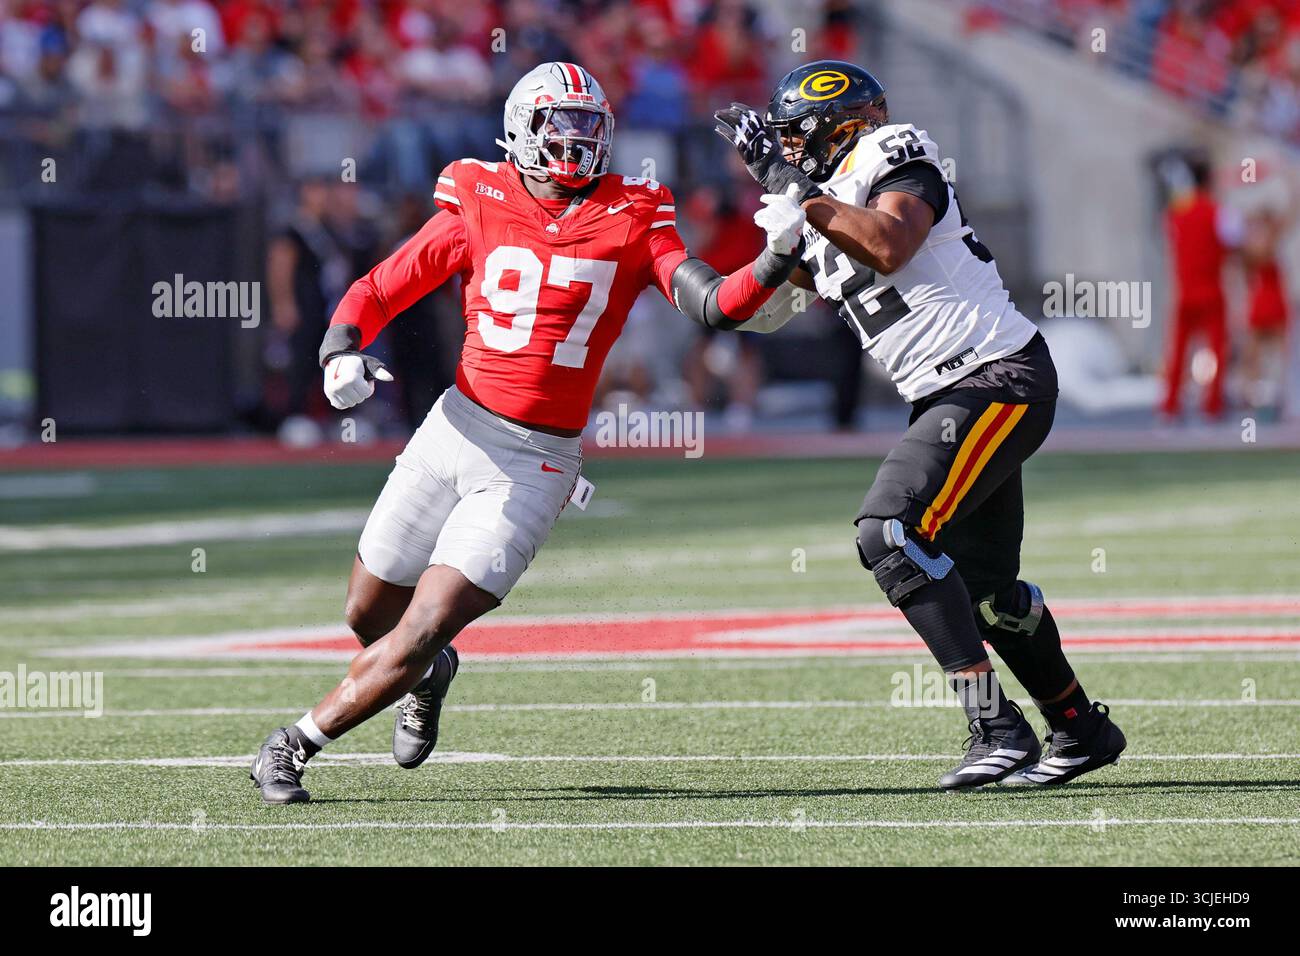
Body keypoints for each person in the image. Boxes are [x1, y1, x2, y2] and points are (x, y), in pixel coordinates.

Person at [249, 61, 806, 804]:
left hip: (535, 461)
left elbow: (712, 304)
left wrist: (774, 259)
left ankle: (291, 745)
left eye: (589, 126)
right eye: (561, 125)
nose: (577, 141)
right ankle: (431, 674)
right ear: (521, 128)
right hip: (453, 426)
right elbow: (386, 283)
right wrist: (339, 348)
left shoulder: (636, 212)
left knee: (422, 623)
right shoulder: (479, 193)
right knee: (366, 613)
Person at [714, 60, 1126, 789]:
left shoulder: (893, 151)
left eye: (792, 138)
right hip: (950, 392)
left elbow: (891, 243)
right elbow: (769, 304)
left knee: (890, 531)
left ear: (836, 127)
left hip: (993, 375)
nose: (785, 152)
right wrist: (748, 270)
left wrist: (793, 193)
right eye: (776, 145)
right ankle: (1078, 728)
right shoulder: (818, 198)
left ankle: (994, 726)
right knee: (988, 592)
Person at [1161, 156, 1233, 421]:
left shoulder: (1176, 212)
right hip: (1211, 290)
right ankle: (1212, 407)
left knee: (1178, 351)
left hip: (1184, 292)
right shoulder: (1217, 211)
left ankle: (1170, 406)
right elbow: (1233, 243)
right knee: (1217, 348)